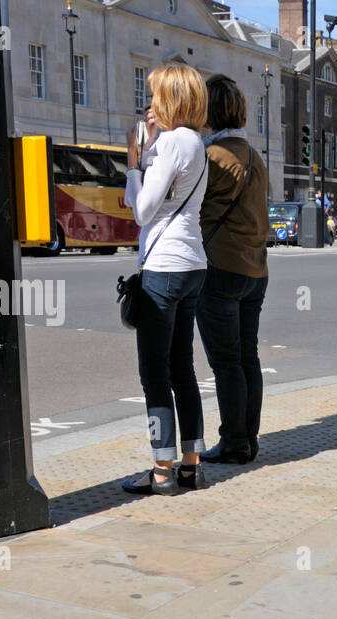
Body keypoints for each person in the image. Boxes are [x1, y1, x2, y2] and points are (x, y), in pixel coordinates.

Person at [121, 64, 209, 496]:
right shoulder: (196, 143)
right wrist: (146, 154)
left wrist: (134, 161)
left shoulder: (173, 142)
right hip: (193, 263)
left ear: (170, 99)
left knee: (154, 372)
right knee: (182, 368)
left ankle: (161, 469)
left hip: (166, 266)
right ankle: (192, 466)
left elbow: (140, 211)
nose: (150, 104)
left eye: (155, 95)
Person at [195, 74, 269, 468]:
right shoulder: (255, 157)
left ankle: (234, 442)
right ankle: (249, 438)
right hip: (255, 271)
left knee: (226, 362)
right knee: (247, 358)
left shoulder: (210, 157)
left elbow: (191, 212)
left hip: (220, 268)